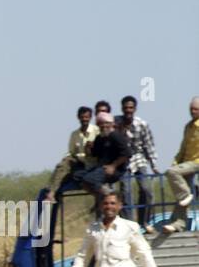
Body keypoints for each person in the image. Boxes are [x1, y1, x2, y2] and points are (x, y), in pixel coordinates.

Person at [116, 95, 159, 223]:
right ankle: (128, 222)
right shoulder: (116, 123)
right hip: (123, 159)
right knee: (126, 191)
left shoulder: (142, 124)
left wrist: (154, 165)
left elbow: (149, 144)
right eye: (126, 108)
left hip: (138, 157)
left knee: (146, 189)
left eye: (131, 108)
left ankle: (144, 221)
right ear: (122, 109)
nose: (128, 110)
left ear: (135, 109)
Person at [161, 96, 199, 235]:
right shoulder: (188, 127)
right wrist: (176, 161)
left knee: (173, 174)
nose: (192, 112)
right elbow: (183, 148)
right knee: (182, 197)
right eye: (191, 109)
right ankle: (178, 223)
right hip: (187, 163)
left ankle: (186, 195)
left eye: (195, 109)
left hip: (196, 162)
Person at [70, 112, 131, 196]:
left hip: (115, 169)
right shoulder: (100, 137)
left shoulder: (115, 135)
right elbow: (94, 153)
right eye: (100, 123)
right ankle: (101, 198)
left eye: (106, 123)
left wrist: (113, 166)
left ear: (112, 124)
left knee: (89, 179)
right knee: (77, 175)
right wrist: (88, 148)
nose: (103, 126)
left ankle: (109, 196)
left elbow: (127, 153)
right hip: (100, 167)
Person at [48, 106, 99, 194]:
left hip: (92, 162)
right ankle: (51, 191)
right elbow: (71, 152)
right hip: (79, 163)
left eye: (86, 117)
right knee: (62, 165)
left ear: (90, 117)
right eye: (82, 117)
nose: (84, 119)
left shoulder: (96, 131)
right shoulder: (74, 134)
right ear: (78, 117)